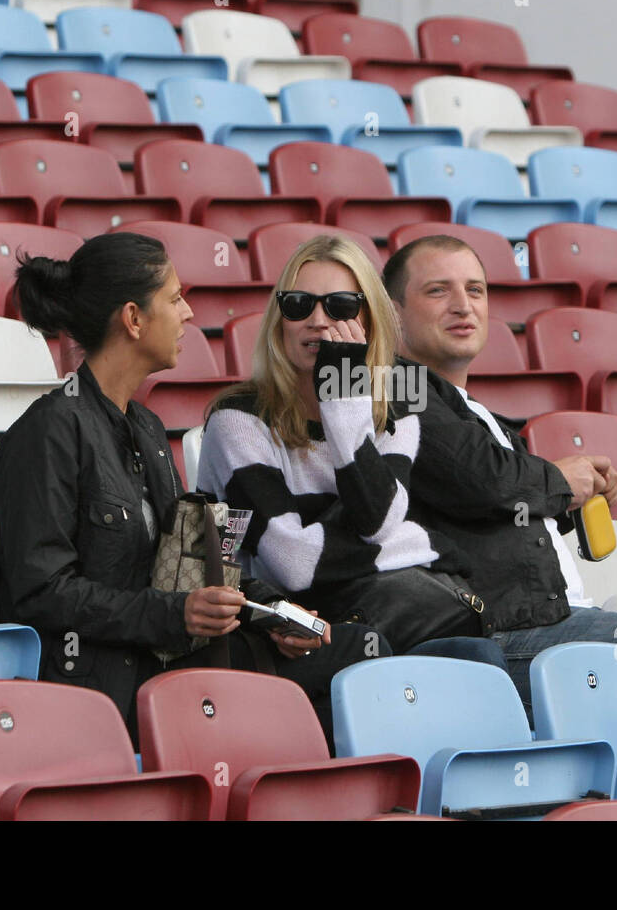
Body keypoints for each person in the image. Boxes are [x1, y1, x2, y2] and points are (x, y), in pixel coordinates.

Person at [0, 231, 348, 744]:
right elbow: (40, 594)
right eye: (175, 298)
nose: (187, 313)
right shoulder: (47, 433)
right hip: (103, 684)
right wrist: (176, 613)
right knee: (350, 664)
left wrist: (271, 612)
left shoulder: (147, 428)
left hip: (168, 659)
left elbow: (188, 560)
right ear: (133, 319)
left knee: (351, 652)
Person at [382, 234, 617, 710]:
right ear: (392, 312)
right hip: (501, 636)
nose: (462, 306)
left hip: (555, 620)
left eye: (475, 290)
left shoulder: (475, 412)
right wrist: (558, 482)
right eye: (438, 291)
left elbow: (483, 501)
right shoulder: (398, 387)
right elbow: (479, 479)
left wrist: (571, 501)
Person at [197, 234, 507, 670]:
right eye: (299, 304)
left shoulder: (395, 411)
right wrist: (417, 543)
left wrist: (343, 403)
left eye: (341, 306)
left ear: (370, 320)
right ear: (279, 319)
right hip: (288, 629)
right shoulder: (239, 418)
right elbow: (295, 565)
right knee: (374, 651)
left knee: (479, 658)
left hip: (382, 614)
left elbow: (374, 519)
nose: (319, 321)